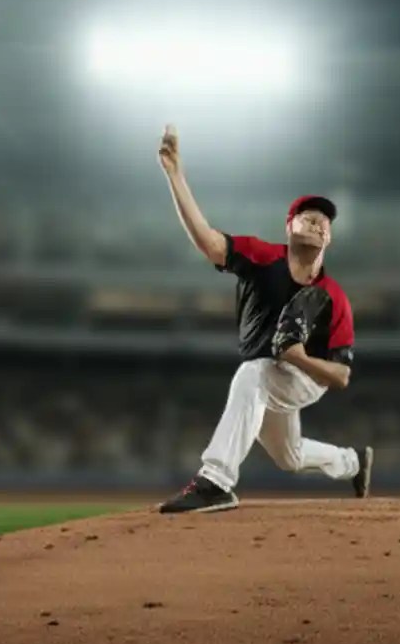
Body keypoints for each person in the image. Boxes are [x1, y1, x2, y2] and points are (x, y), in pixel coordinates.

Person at [154, 124, 372, 513]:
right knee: (289, 456)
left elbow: (341, 376)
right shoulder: (261, 257)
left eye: (325, 221)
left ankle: (215, 481)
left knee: (253, 374)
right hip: (271, 369)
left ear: (330, 239)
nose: (318, 222)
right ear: (288, 227)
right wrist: (175, 176)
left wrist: (299, 357)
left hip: (305, 375)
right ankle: (354, 462)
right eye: (308, 217)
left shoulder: (334, 298)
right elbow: (207, 240)